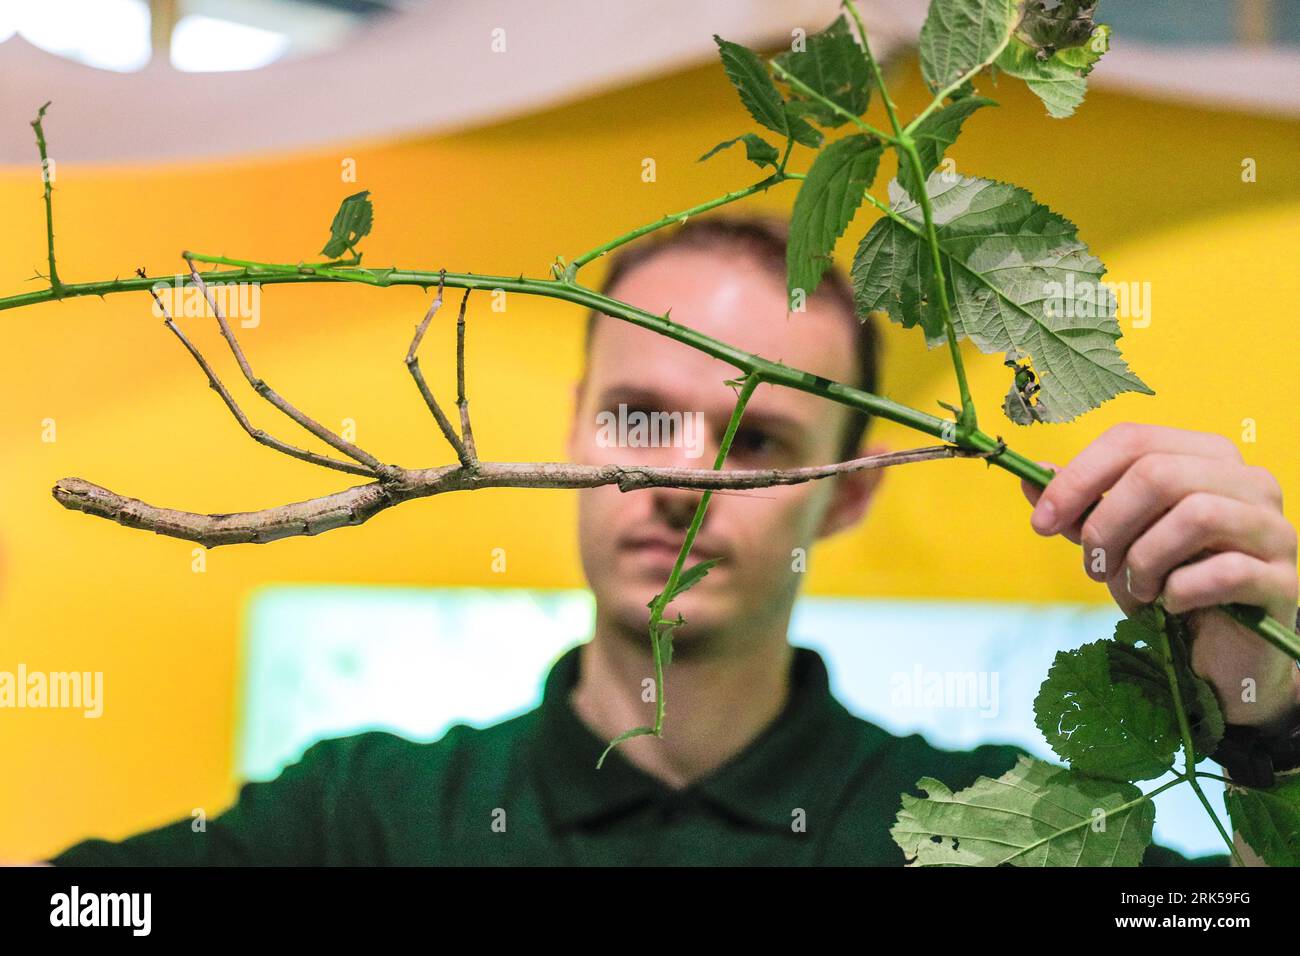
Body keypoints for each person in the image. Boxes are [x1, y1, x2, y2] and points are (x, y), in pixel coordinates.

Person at [43, 215, 1299, 866]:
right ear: (576, 427)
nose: (683, 483)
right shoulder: (365, 814)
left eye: (754, 442)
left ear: (849, 493)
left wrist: (1271, 718)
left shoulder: (966, 828)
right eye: (639, 420)